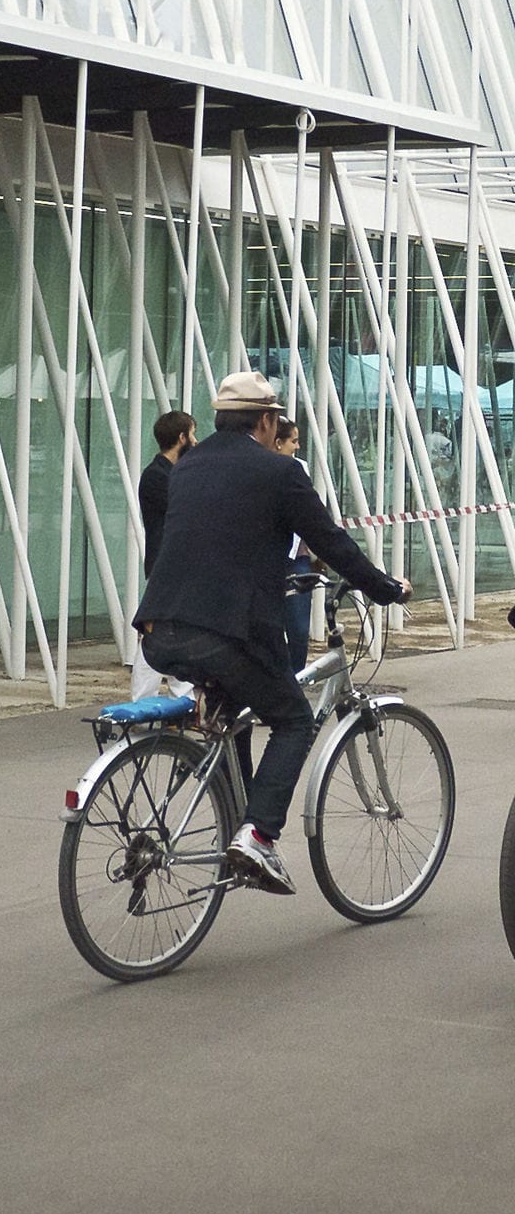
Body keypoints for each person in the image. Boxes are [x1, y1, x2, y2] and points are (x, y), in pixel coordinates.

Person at [134, 371, 410, 895]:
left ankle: (234, 820)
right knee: (293, 721)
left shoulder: (187, 467)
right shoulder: (278, 471)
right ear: (266, 421)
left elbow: (217, 539)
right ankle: (257, 836)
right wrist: (385, 589)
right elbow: (330, 540)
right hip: (224, 631)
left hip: (161, 628)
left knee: (234, 714)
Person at [129, 410, 198, 701]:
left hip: (175, 566)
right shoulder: (157, 476)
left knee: (175, 631)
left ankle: (184, 697)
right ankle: (146, 698)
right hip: (165, 567)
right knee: (158, 632)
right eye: (192, 433)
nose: (196, 440)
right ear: (181, 437)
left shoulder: (173, 474)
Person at [274, 416, 314, 672]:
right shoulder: (258, 468)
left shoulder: (299, 468)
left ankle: (296, 678)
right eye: (293, 441)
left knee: (299, 628)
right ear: (278, 443)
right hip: (271, 557)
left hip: (298, 556)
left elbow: (309, 511)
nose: (297, 446)